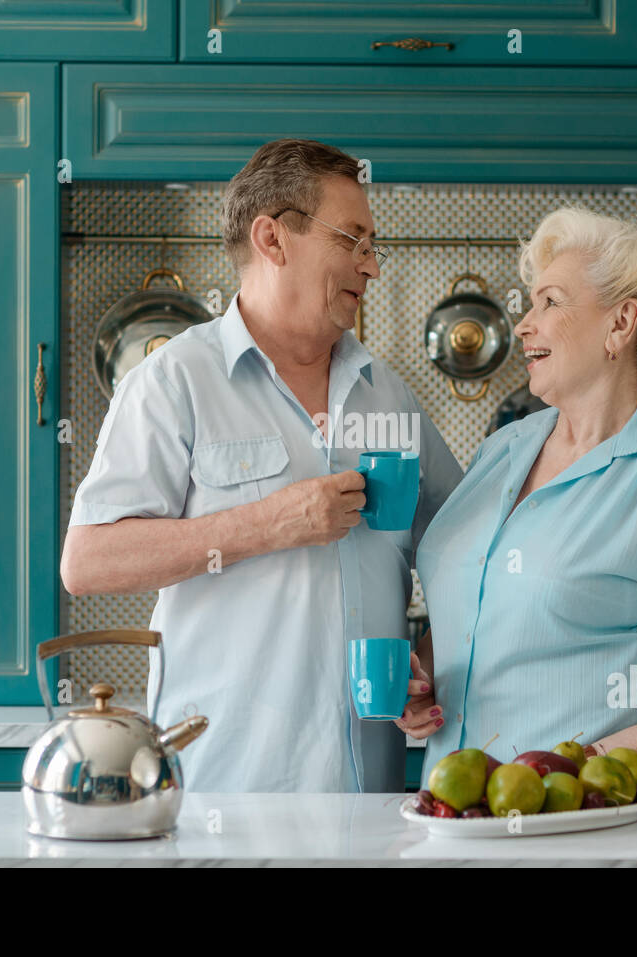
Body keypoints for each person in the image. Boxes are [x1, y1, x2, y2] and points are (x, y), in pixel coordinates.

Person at [60, 139, 463, 793]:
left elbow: (470, 549)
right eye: (353, 240)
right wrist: (270, 522)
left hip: (371, 799)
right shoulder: (174, 382)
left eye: (372, 243)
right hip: (226, 789)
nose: (374, 265)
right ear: (273, 239)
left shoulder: (388, 394)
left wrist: (430, 658)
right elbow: (89, 560)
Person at [400, 206, 637, 795]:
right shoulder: (501, 452)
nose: (523, 326)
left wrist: (572, 767)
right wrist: (427, 677)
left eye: (550, 302)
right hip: (455, 817)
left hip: (585, 829)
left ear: (620, 323)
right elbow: (481, 602)